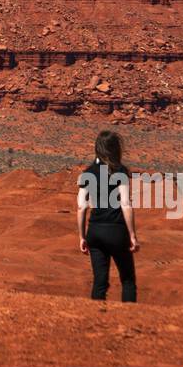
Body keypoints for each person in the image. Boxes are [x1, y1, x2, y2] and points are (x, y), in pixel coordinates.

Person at [76, 129, 138, 302]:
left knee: (100, 282)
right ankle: (129, 319)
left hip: (95, 231)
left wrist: (82, 236)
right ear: (116, 149)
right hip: (117, 231)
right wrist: (132, 235)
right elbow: (125, 203)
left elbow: (81, 206)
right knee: (127, 280)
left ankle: (96, 322)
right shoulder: (120, 172)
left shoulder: (87, 173)